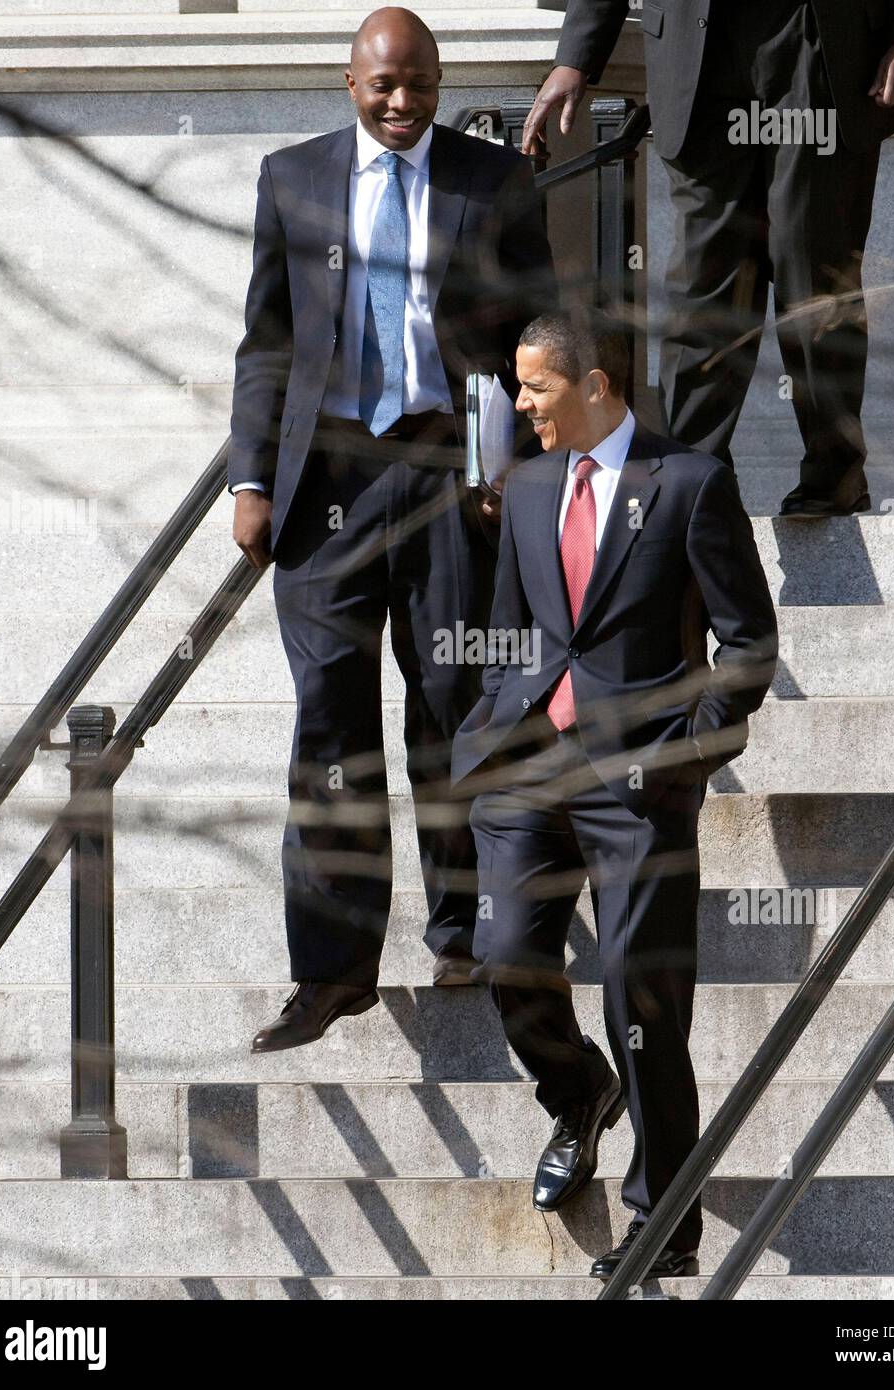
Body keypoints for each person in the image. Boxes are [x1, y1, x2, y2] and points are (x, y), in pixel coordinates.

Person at [228, 7, 555, 1052]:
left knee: (452, 701)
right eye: (384, 87)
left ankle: (461, 925)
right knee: (328, 715)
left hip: (449, 475)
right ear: (350, 83)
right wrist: (248, 479)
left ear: (439, 79)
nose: (404, 104)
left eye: (420, 84)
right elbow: (265, 346)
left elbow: (530, 333)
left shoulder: (491, 183)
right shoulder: (295, 180)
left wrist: (521, 464)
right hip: (324, 481)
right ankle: (331, 969)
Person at [451, 310, 777, 1279]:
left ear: (595, 386)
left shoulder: (689, 482)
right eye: (515, 385)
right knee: (507, 954)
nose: (518, 404)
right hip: (528, 769)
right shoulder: (527, 488)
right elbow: (513, 629)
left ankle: (666, 1221)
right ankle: (579, 1090)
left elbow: (748, 644)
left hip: (641, 783)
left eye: (535, 387)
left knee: (643, 992)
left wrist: (682, 755)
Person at [522, 0, 894, 516]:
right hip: (701, 58)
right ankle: (690, 478)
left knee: (812, 278)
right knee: (701, 290)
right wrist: (575, 57)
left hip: (819, 49)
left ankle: (833, 478)